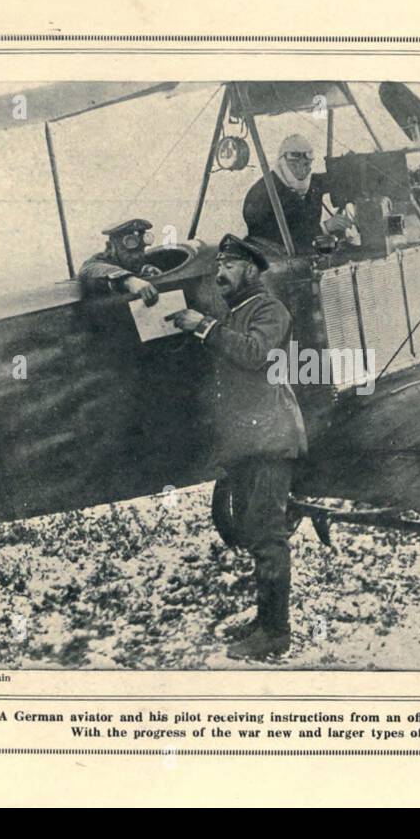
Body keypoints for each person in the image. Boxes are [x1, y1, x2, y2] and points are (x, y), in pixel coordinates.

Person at [165, 234, 308, 660]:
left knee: (267, 538)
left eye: (228, 266)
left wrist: (205, 327)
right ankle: (265, 620)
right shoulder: (238, 313)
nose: (220, 274)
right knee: (253, 532)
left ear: (250, 269)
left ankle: (275, 634)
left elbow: (255, 354)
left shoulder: (269, 310)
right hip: (249, 442)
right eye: (217, 267)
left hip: (270, 439)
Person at [242, 134, 352, 254]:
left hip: (307, 253)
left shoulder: (312, 183)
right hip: (274, 259)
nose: (301, 171)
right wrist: (324, 228)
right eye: (294, 165)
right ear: (282, 163)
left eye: (306, 164)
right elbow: (272, 240)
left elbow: (339, 180)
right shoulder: (261, 193)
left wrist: (350, 164)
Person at [77, 218, 160, 304]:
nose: (137, 257)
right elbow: (88, 269)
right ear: (110, 247)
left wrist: (145, 270)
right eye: (130, 252)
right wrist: (128, 281)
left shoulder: (130, 265)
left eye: (140, 250)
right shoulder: (97, 262)